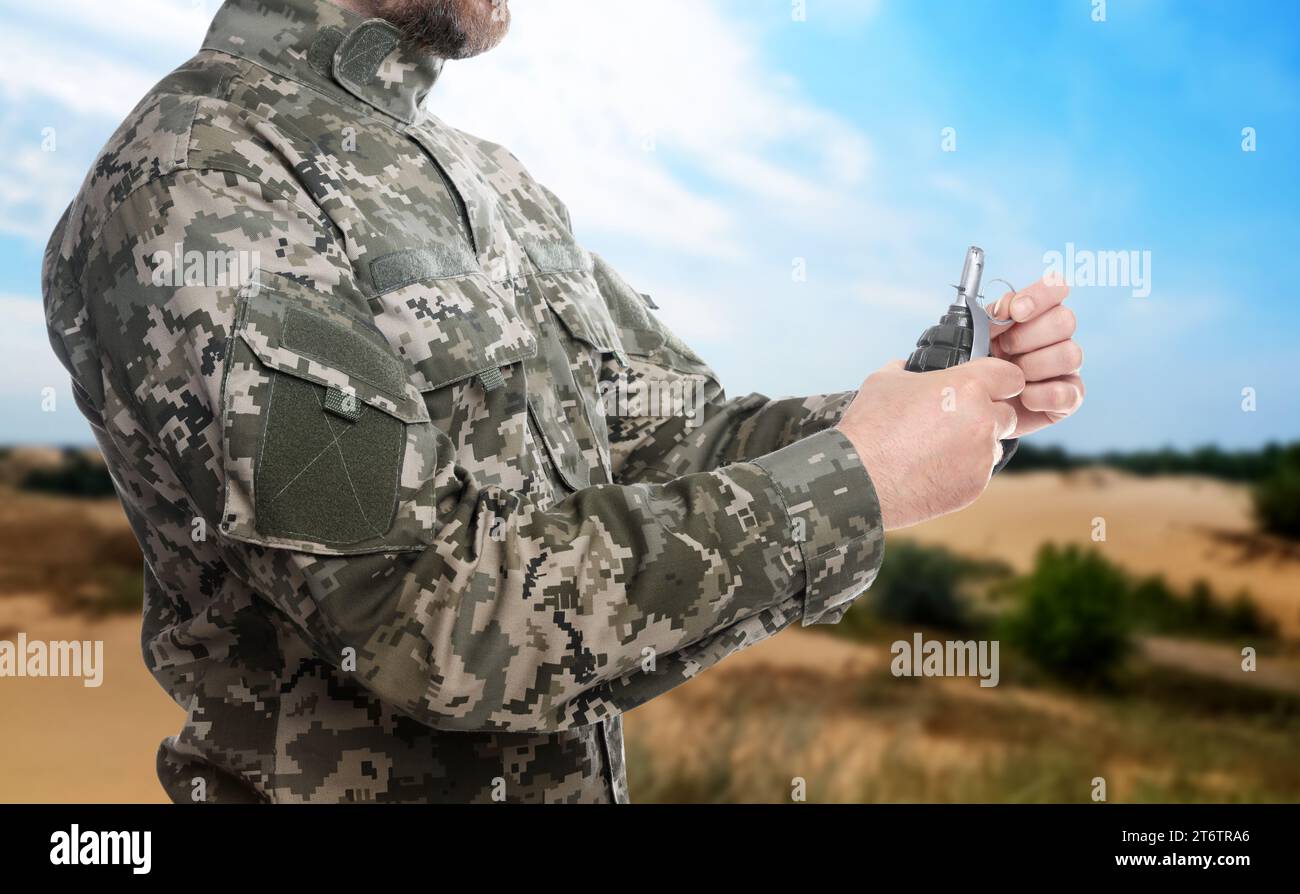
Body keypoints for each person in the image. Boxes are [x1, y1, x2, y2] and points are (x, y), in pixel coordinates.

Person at [42, 0, 1084, 803]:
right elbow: (423, 620)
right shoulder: (200, 177)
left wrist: (933, 405)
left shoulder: (493, 183)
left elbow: (681, 436)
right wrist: (856, 483)